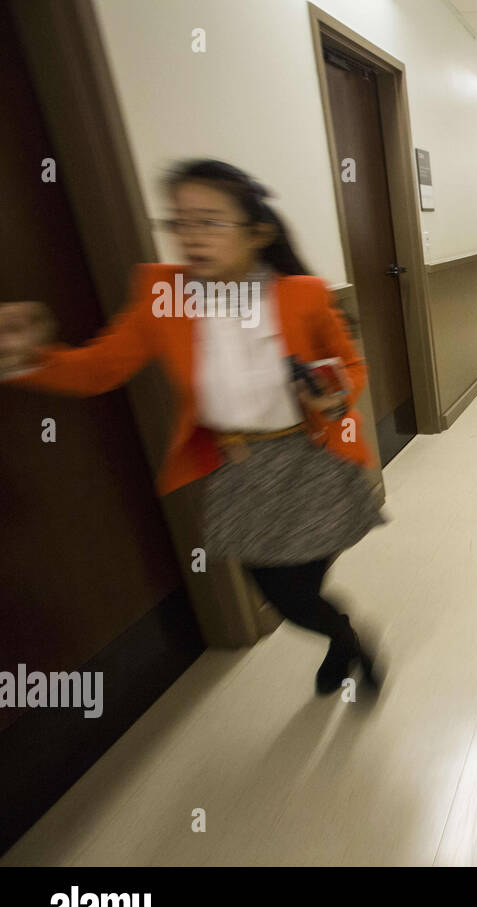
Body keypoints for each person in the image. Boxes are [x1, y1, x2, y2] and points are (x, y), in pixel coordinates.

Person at [0, 159, 383, 695]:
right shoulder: (164, 296)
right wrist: (27, 356)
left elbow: (350, 366)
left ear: (257, 233)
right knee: (279, 592)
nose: (190, 237)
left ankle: (335, 639)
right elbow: (100, 368)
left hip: (314, 457)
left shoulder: (303, 294)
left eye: (209, 221)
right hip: (241, 467)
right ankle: (344, 636)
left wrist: (330, 392)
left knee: (305, 580)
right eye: (178, 223)